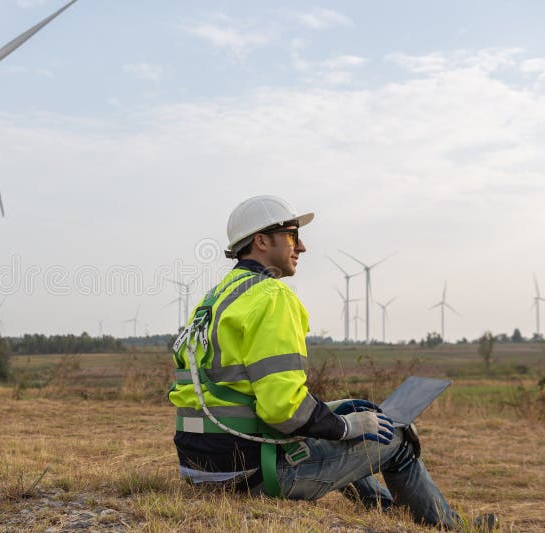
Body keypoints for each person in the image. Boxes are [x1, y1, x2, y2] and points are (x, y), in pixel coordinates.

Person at [168, 195, 493, 530]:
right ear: (262, 241)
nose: (302, 247)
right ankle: (454, 526)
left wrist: (347, 418)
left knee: (357, 411)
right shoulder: (271, 297)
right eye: (293, 235)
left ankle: (384, 509)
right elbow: (282, 411)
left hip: (201, 465)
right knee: (394, 438)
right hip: (250, 473)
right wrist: (346, 428)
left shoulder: (217, 297)